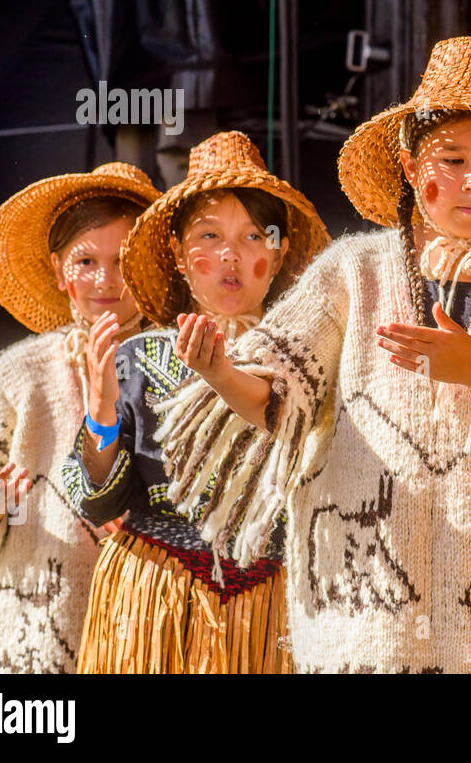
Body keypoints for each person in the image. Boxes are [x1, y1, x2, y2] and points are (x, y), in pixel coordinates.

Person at [156, 36, 471, 672]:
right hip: (357, 635)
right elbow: (277, 402)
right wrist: (221, 373)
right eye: (451, 159)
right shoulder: (349, 274)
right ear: (407, 164)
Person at [62, 131, 329, 673]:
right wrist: (102, 412)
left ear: (276, 257)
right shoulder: (137, 359)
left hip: (273, 610)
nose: (231, 256)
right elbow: (96, 503)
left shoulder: (311, 364)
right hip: (149, 605)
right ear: (181, 257)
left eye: (254, 236)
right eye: (209, 236)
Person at [0, 164, 160, 672]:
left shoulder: (182, 362)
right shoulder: (21, 376)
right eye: (85, 261)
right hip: (32, 648)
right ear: (58, 270)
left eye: (122, 260)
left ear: (148, 263)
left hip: (153, 633)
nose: (105, 280)